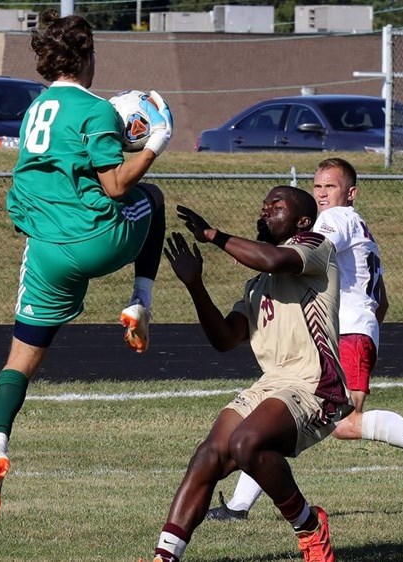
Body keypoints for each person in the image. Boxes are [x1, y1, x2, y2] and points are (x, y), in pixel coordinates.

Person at [0, 8, 172, 526]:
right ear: (86, 55)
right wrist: (153, 142)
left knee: (19, 360)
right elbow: (116, 185)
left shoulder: (35, 108)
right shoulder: (97, 110)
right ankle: (140, 301)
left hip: (45, 248)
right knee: (153, 198)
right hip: (99, 236)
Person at [206, 158, 403, 523]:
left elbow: (300, 256)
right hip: (354, 331)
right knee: (288, 413)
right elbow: (382, 302)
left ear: (349, 193)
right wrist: (365, 330)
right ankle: (238, 507)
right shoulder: (361, 228)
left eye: (330, 187)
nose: (321, 194)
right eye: (317, 186)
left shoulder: (334, 220)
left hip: (346, 334)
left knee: (340, 422)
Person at [146, 185, 348, 562]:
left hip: (313, 384)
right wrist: (195, 285)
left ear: (302, 220)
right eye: (265, 204)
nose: (266, 208)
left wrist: (213, 235)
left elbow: (272, 259)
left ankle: (310, 528)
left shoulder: (316, 246)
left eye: (277, 204)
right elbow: (225, 338)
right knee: (208, 455)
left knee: (245, 444)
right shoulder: (255, 286)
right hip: (272, 384)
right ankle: (165, 556)